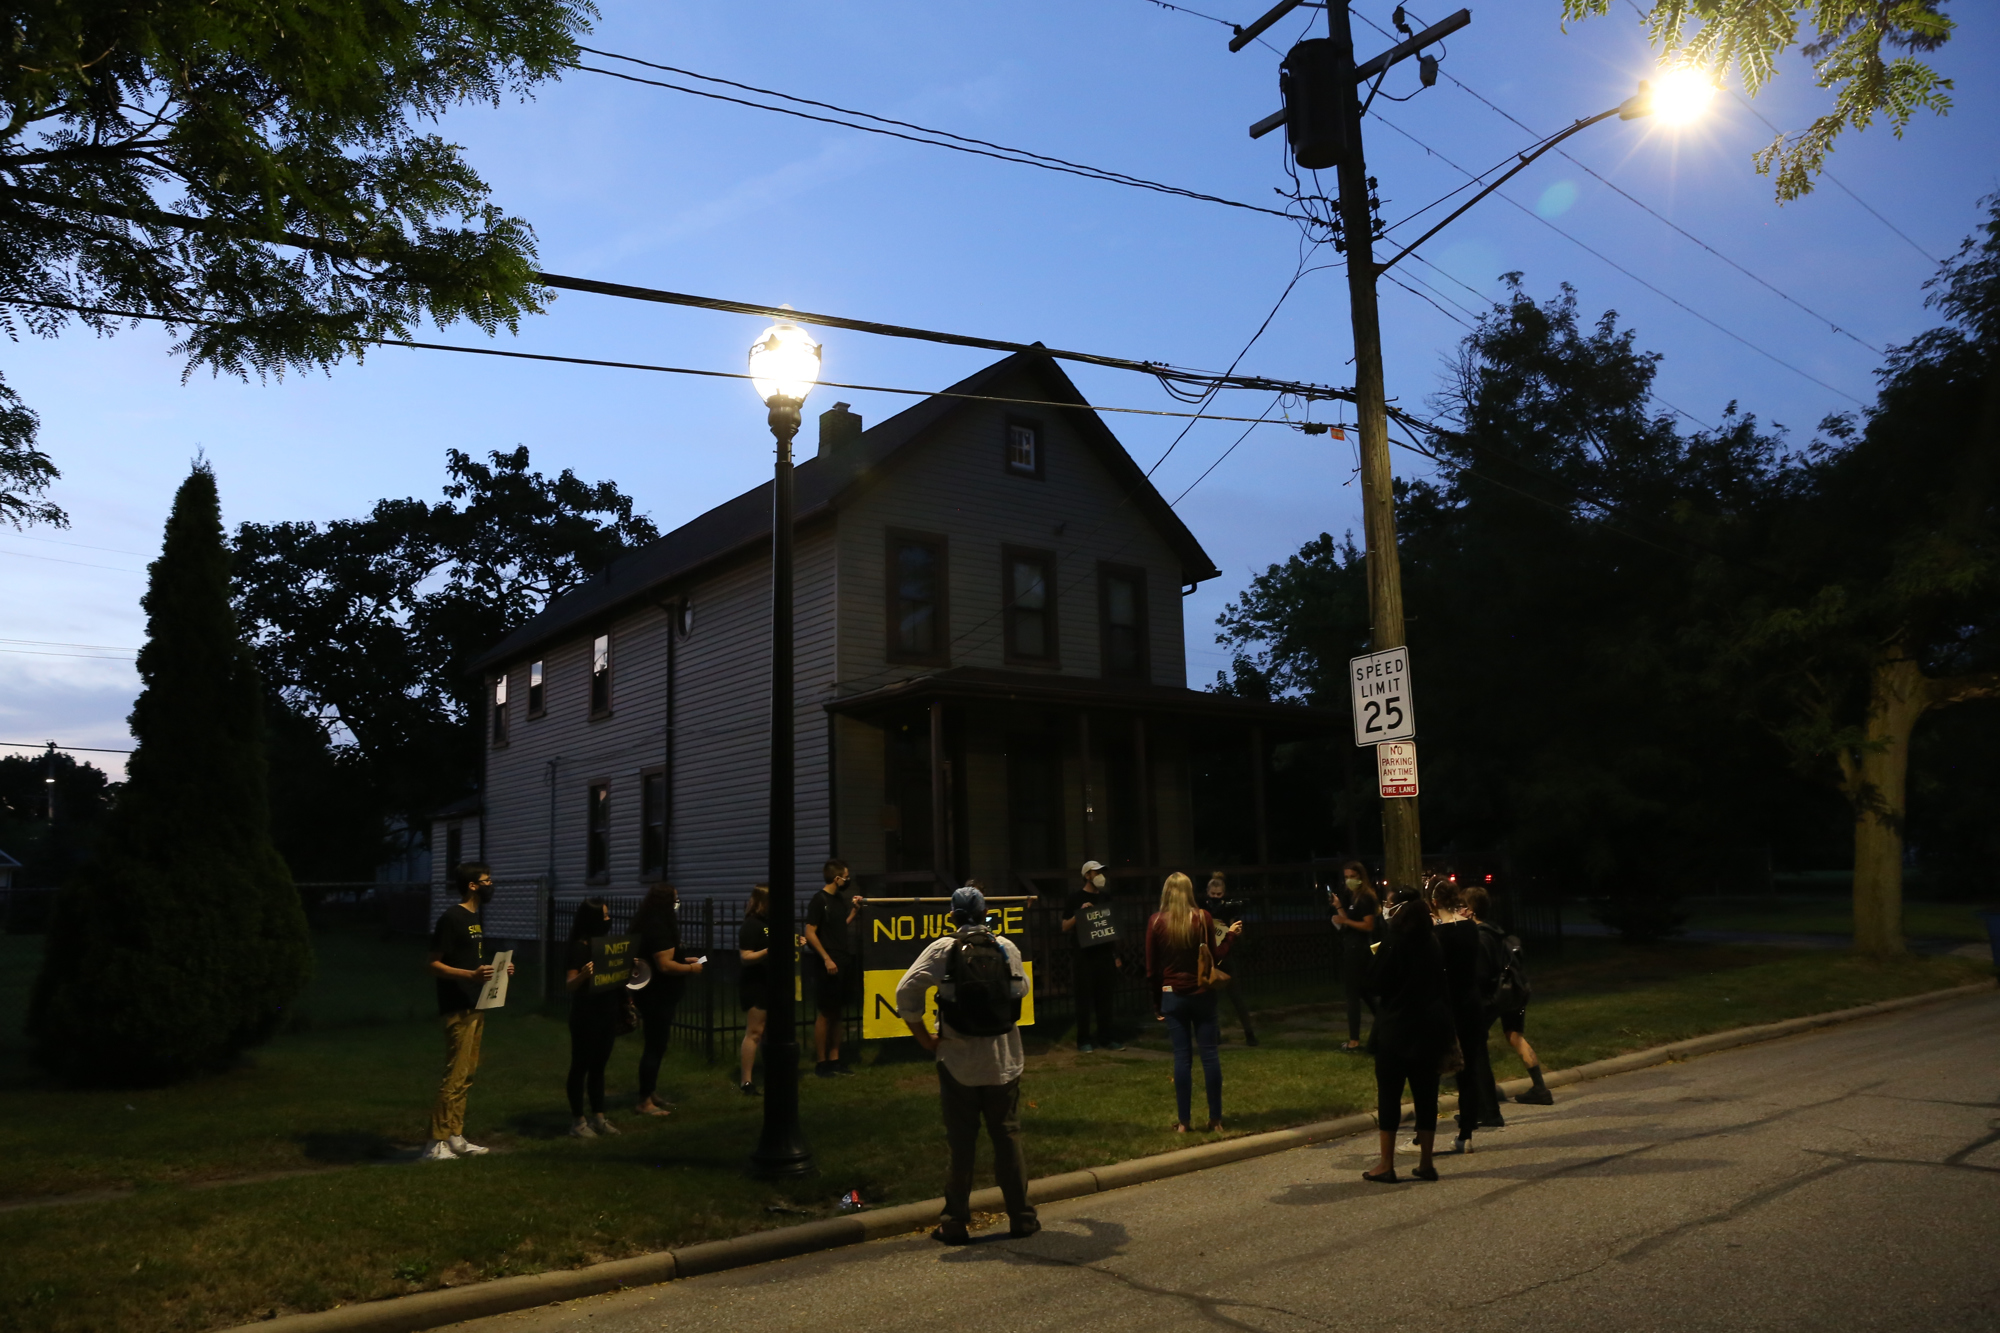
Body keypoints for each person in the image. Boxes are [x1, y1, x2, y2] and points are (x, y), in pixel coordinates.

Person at [896, 885, 1038, 1245]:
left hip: (957, 1061)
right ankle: (1021, 1217)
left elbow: (905, 991)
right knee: (1007, 1138)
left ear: (953, 917)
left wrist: (925, 1038)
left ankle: (955, 1222)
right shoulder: (1007, 948)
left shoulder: (943, 950)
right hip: (1003, 1062)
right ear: (986, 914)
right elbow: (1019, 993)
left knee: (962, 1143)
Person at [422, 862, 514, 1162]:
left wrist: (500, 971)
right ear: (472, 885)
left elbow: (474, 962)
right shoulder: (452, 917)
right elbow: (433, 963)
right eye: (487, 880)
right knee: (455, 1073)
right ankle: (435, 1143)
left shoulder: (475, 918)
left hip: (477, 1004)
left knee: (467, 1074)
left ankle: (455, 1135)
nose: (491, 885)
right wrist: (469, 976)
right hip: (457, 1005)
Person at [1365, 888, 1454, 1183]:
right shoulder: (1432, 942)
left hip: (1397, 1029)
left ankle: (1386, 1164)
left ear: (1399, 911)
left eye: (1390, 904)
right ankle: (1426, 1162)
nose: (1386, 908)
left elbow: (1376, 983)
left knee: (1389, 1095)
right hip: (1429, 1029)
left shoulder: (1394, 942)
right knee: (1426, 1096)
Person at [1146, 871, 1236, 1132]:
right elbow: (1214, 955)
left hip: (1172, 995)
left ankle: (1184, 1122)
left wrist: (1156, 1003)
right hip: (1202, 994)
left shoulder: (1156, 922)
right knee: (1210, 1055)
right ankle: (1215, 1119)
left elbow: (1151, 971)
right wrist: (1230, 936)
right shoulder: (1202, 918)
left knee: (1182, 1058)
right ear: (1189, 892)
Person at [1467, 884, 1554, 1106]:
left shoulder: (1480, 935)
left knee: (1472, 1040)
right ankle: (1540, 1088)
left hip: (1496, 996)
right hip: (1515, 989)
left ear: (1471, 909)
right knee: (1515, 1036)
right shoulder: (1496, 930)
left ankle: (1478, 1096)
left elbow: (1483, 973)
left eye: (1461, 905)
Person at [1431, 878, 1500, 1154]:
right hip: (1470, 1003)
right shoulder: (1470, 928)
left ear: (1435, 902)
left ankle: (1422, 1135)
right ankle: (1466, 1132)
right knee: (1468, 1070)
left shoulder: (1438, 935)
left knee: (1433, 1068)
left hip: (1448, 1006)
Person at [631, 884, 704, 1117]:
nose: (677, 903)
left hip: (655, 994)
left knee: (657, 1045)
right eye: (675, 899)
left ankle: (650, 1092)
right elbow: (664, 965)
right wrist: (691, 968)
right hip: (657, 995)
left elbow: (668, 956)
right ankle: (644, 1101)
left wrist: (684, 958)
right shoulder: (659, 927)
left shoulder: (651, 923)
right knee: (655, 1045)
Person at [564, 897, 624, 1138]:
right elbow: (569, 984)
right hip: (586, 1014)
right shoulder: (579, 947)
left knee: (599, 1067)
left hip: (606, 1011)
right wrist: (584, 975)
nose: (609, 920)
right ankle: (578, 1121)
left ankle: (598, 1117)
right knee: (581, 1066)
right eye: (605, 916)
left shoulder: (605, 945)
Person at [804, 859, 863, 1078]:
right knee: (826, 1012)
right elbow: (810, 932)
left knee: (838, 1012)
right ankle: (821, 1062)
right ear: (836, 878)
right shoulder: (819, 900)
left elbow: (838, 927)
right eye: (845, 876)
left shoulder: (839, 900)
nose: (847, 880)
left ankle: (835, 1058)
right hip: (828, 963)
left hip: (843, 959)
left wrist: (854, 912)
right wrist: (826, 958)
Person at [1062, 860, 1124, 1052]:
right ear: (1087, 875)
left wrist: (1115, 955)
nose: (1100, 876)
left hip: (1104, 955)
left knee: (1105, 999)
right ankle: (1084, 1040)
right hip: (1083, 956)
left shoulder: (1106, 898)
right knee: (1083, 1000)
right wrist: (1080, 914)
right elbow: (1064, 926)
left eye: (1101, 872)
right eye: (1096, 872)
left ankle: (1106, 1038)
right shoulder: (1074, 898)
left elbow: (1110, 928)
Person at [1203, 872, 1258, 1046]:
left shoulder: (1230, 908)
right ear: (1208, 893)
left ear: (1224, 893)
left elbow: (1239, 931)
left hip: (1226, 955)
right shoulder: (1203, 910)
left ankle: (1249, 1033)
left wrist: (1234, 927)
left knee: (1237, 998)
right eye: (1213, 894)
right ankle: (1215, 1034)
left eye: (1219, 895)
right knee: (1210, 999)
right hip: (1210, 957)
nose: (1216, 898)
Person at [1331, 861, 1379, 1052]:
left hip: (1359, 950)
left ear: (1361, 877)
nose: (1349, 880)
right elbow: (1347, 922)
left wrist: (1345, 920)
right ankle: (1384, 1020)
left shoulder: (1366, 897)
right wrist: (1339, 908)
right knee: (1364, 992)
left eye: (1352, 876)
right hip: (1351, 946)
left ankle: (1354, 1041)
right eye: (1346, 877)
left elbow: (1368, 925)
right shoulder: (1353, 897)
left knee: (1353, 995)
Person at [737, 885, 773, 1096]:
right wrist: (769, 950)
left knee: (769, 1032)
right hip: (756, 984)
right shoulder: (751, 925)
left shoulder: (769, 923)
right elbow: (745, 957)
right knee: (755, 1032)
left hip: (771, 982)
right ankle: (746, 1081)